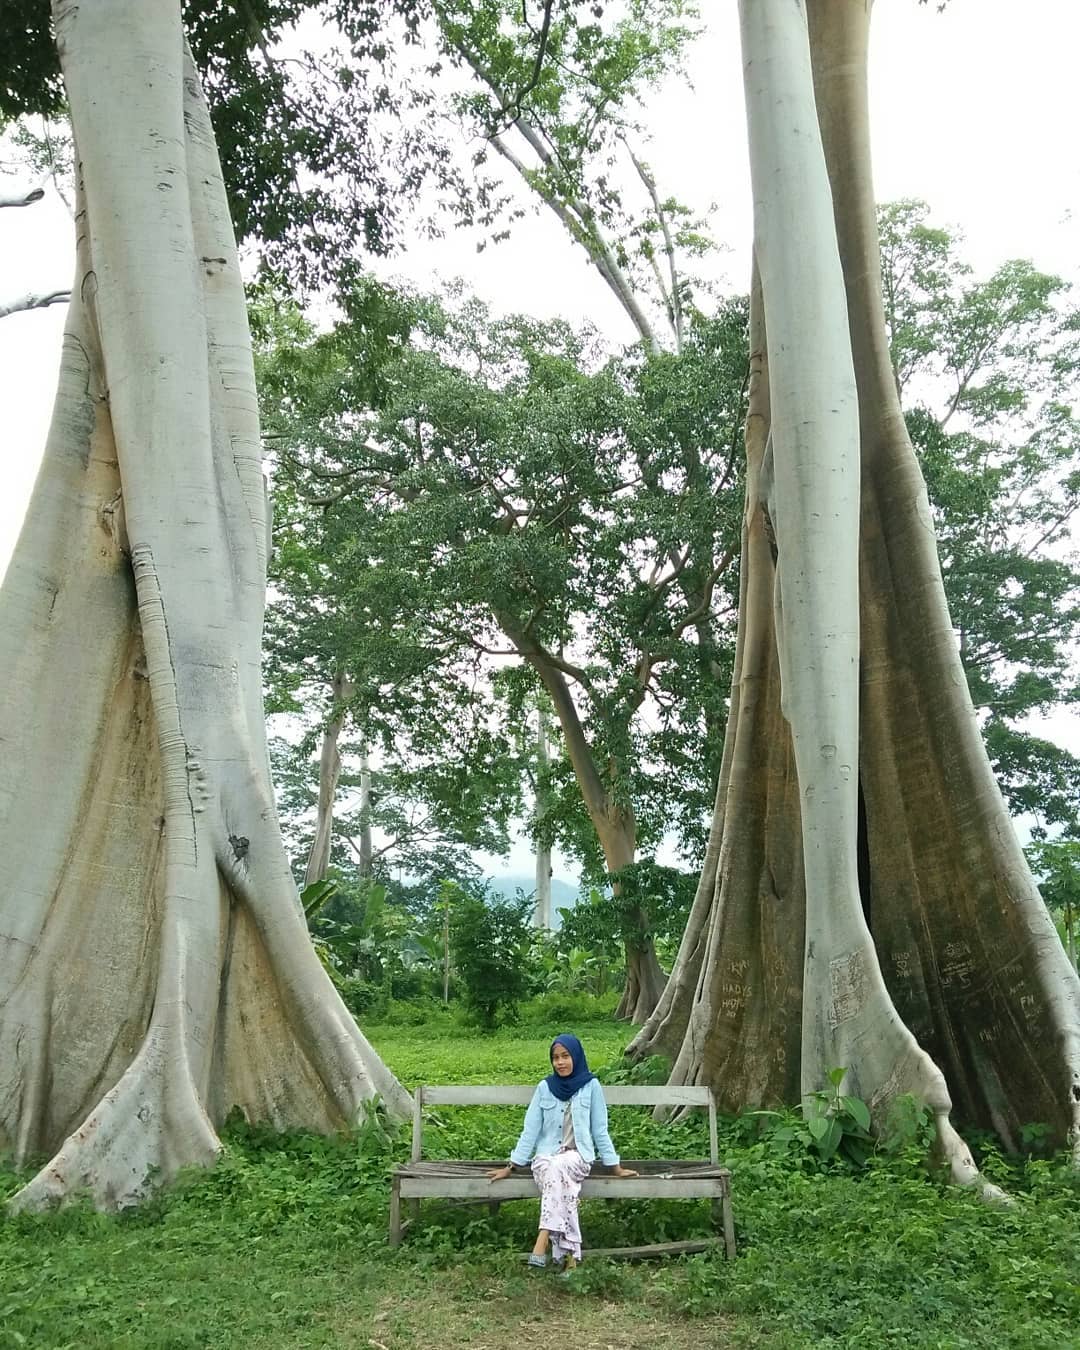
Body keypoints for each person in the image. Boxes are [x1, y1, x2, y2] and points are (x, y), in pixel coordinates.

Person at [486, 1033, 638, 1271]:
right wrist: (511, 1167)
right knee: (559, 1178)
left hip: (577, 1157)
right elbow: (531, 1131)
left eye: (565, 1056)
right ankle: (571, 1261)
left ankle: (543, 1238)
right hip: (545, 1159)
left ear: (576, 1056)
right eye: (555, 1058)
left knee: (560, 1169)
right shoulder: (545, 1088)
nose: (560, 1062)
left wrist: (615, 1167)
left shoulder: (591, 1086)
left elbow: (600, 1130)